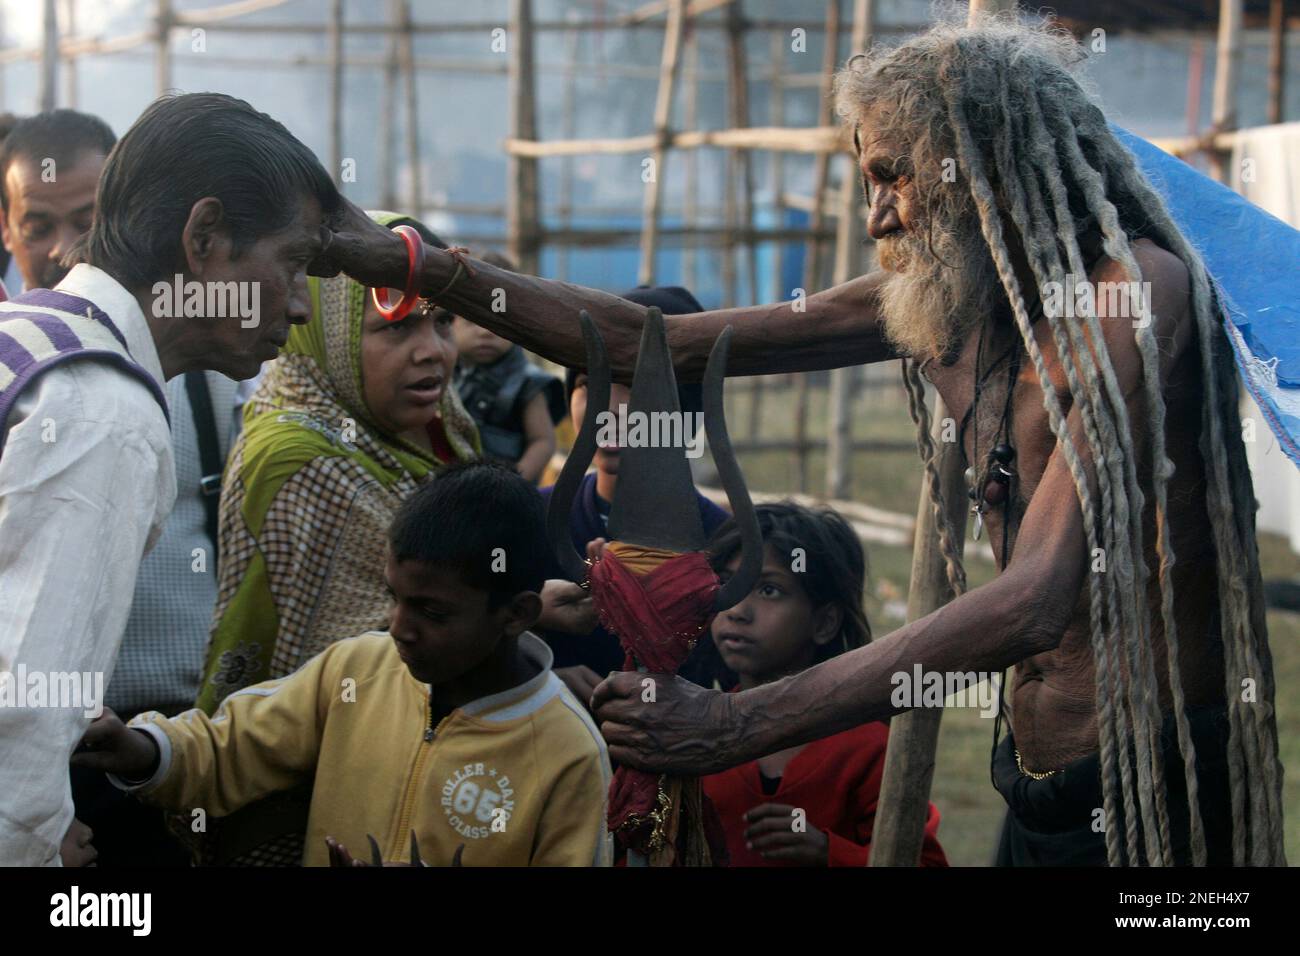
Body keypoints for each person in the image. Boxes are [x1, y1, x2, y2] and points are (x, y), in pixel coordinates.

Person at [312, 15, 1283, 866]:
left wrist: (735, 719)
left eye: (890, 178)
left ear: (979, 160)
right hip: (1028, 765)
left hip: (1158, 783)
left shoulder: (1128, 295)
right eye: (865, 181)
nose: (874, 215)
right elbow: (654, 344)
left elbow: (1033, 599)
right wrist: (414, 262)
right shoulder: (952, 307)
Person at [0, 91, 340, 865]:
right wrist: (35, 841)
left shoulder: (29, 339)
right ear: (205, 239)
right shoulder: (102, 412)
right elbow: (24, 707)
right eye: (290, 262)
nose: (297, 303)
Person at [72, 461, 613, 868]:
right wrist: (141, 751)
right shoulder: (358, 669)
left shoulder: (568, 753)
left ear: (517, 613)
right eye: (394, 597)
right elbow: (230, 748)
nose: (399, 626)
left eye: (432, 611)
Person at [196, 211, 480, 716]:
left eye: (442, 323)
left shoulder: (446, 432)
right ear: (329, 340)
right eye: (397, 330)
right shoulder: (293, 462)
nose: (432, 352)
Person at [698, 503, 947, 867]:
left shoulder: (869, 750)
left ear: (825, 622)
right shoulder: (695, 734)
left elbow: (923, 862)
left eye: (768, 590)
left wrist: (828, 853)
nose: (737, 609)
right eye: (728, 584)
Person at [536, 285, 730, 705]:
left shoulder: (723, 541)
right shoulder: (532, 518)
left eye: (638, 385)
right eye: (590, 382)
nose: (610, 408)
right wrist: (540, 673)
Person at [451, 251, 563, 482]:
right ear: (451, 319)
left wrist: (514, 483)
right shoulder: (442, 376)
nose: (485, 332)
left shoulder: (527, 383)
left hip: (503, 491)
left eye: (496, 322)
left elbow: (542, 441)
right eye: (472, 321)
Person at [0, 109, 114, 295]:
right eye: (37, 229)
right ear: (5, 229)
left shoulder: (166, 317)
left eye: (87, 224)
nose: (63, 249)